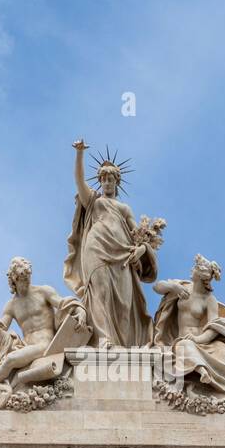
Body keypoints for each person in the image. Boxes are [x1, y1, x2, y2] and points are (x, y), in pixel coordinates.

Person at [63, 139, 158, 348]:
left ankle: (123, 344)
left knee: (125, 301)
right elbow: (79, 181)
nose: (106, 183)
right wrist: (79, 154)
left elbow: (139, 236)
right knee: (99, 293)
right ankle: (104, 338)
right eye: (103, 179)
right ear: (100, 181)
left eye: (110, 179)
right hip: (96, 249)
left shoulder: (124, 209)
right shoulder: (94, 201)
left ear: (117, 182)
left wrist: (142, 248)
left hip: (123, 254)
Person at [0, 257, 85, 408]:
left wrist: (80, 309)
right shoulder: (11, 305)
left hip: (45, 344)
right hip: (24, 345)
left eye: (28, 277)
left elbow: (63, 303)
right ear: (14, 280)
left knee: (10, 359)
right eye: (23, 279)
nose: (27, 282)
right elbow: (2, 326)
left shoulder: (43, 291)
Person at [152, 254, 225, 410]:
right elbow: (157, 286)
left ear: (201, 275)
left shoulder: (209, 300)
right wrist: (172, 287)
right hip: (183, 339)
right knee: (185, 346)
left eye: (195, 268)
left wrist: (200, 339)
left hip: (204, 340)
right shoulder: (181, 286)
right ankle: (203, 372)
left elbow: (214, 326)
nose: (192, 269)